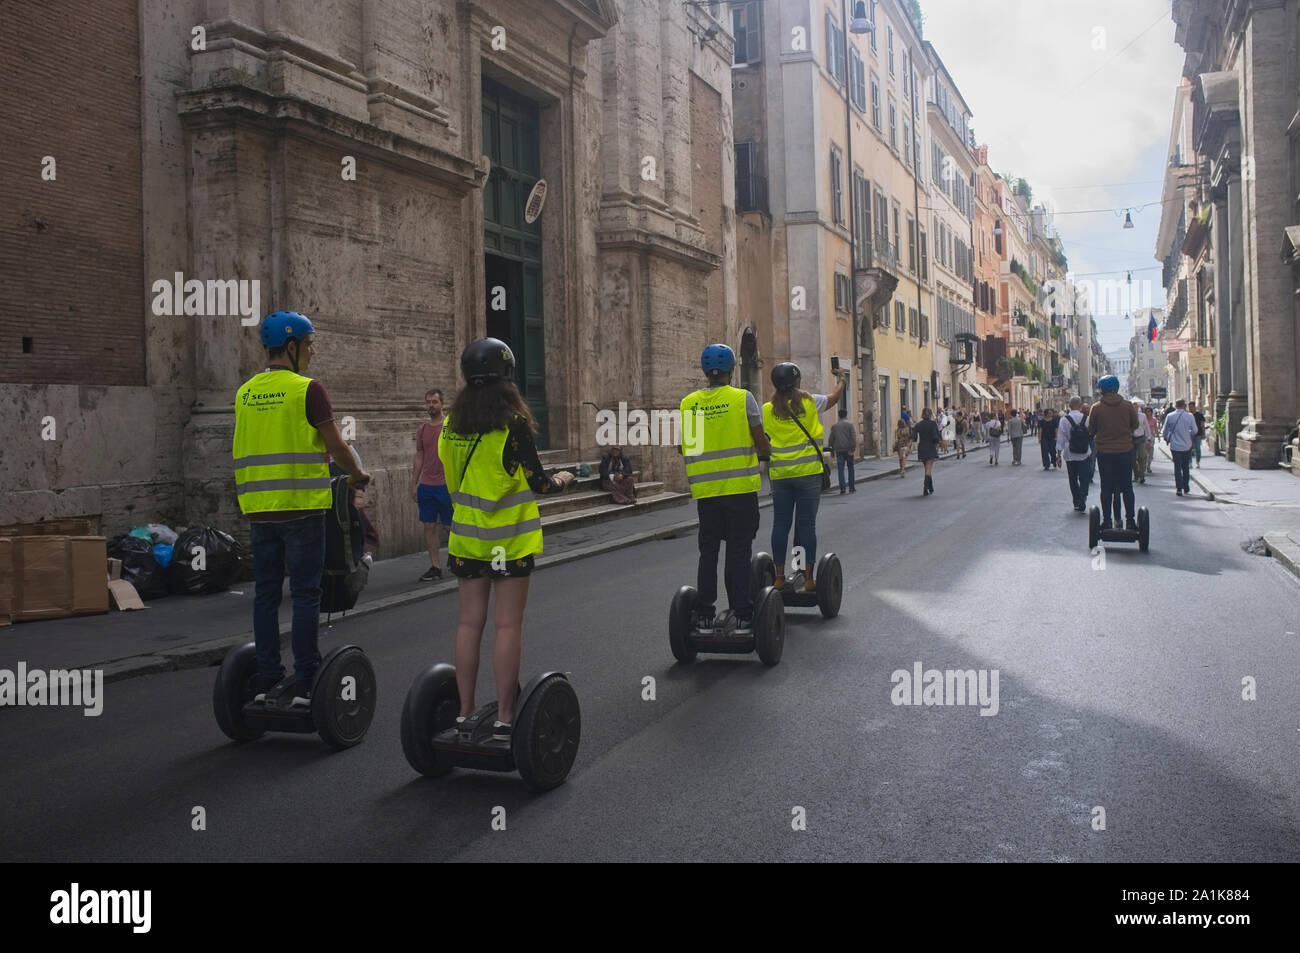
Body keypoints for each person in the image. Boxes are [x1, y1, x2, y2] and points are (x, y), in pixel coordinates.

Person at [438, 338, 575, 744]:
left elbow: (451, 481)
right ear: (508, 379)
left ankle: (463, 714)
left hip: (466, 539)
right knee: (507, 625)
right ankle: (503, 717)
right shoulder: (512, 424)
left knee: (468, 623)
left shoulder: (451, 426)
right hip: (508, 542)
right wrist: (564, 480)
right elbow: (539, 484)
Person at [233, 311, 370, 702]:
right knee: (307, 593)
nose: (313, 351)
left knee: (265, 594)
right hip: (302, 509)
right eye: (309, 343)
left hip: (260, 510)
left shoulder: (245, 392)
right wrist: (358, 474)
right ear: (290, 347)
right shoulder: (307, 389)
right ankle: (307, 675)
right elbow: (336, 446)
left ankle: (267, 674)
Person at [681, 343, 771, 636]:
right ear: (732, 370)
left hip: (707, 494)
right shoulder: (743, 399)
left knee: (708, 553)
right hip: (740, 491)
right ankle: (743, 614)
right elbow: (760, 442)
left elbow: (687, 448)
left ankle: (705, 614)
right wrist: (766, 449)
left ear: (705, 371)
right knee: (739, 551)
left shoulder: (689, 403)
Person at [764, 362, 846, 591]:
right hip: (808, 474)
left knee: (781, 524)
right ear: (797, 382)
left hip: (780, 475)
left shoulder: (766, 410)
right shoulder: (810, 402)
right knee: (806, 524)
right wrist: (842, 379)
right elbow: (834, 397)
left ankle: (780, 577)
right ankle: (808, 579)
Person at [1088, 375, 1139, 531]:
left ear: (1102, 389)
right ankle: (1130, 520)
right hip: (1125, 451)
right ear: (1116, 388)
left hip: (1105, 453)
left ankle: (1107, 520)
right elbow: (1135, 425)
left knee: (1106, 488)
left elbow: (1091, 430)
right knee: (1127, 487)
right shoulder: (1128, 406)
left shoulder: (1096, 408)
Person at [412, 388, 451, 581]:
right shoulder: (422, 430)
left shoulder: (450, 427)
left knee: (450, 526)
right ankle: (435, 566)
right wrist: (414, 484)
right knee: (428, 526)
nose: (431, 406)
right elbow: (419, 456)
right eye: (428, 402)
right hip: (427, 485)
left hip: (446, 485)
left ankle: (460, 556)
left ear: (442, 403)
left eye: (434, 402)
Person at [1057, 397, 1093, 512]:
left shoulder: (1064, 420)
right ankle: (1083, 495)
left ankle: (1076, 500)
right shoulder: (1086, 419)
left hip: (1070, 453)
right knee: (1084, 477)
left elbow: (1061, 439)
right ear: (1080, 406)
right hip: (1084, 453)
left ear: (1070, 406)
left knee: (1072, 478)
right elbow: (1092, 434)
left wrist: (1058, 455)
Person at [1162, 398, 1199, 497]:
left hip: (1175, 446)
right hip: (1187, 445)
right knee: (1185, 467)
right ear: (1184, 405)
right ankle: (1186, 487)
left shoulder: (1170, 416)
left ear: (1175, 405)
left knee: (1177, 468)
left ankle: (1179, 489)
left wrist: (1167, 438)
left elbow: (1164, 431)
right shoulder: (1190, 416)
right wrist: (1188, 433)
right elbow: (1195, 430)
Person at [912, 407, 947, 496]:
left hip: (922, 448)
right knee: (928, 469)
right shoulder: (933, 424)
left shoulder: (918, 425)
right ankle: (925, 487)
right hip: (930, 447)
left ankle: (930, 487)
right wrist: (941, 442)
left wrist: (908, 447)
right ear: (930, 414)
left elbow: (913, 437)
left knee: (927, 468)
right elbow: (936, 436)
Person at [828, 406, 858, 494]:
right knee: (850, 468)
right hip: (848, 449)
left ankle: (842, 488)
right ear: (846, 415)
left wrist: (831, 449)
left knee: (840, 469)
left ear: (839, 415)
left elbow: (831, 439)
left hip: (839, 450)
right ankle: (851, 487)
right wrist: (853, 448)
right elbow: (853, 437)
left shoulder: (835, 426)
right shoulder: (850, 425)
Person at [1131, 398, 1151, 485]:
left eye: (1136, 407)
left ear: (1138, 408)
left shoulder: (1142, 416)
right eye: (1133, 407)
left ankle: (1142, 476)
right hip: (1131, 439)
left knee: (1142, 458)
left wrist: (1149, 438)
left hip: (1141, 439)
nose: (1135, 409)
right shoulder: (1129, 416)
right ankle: (1136, 475)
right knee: (1132, 459)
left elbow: (1146, 427)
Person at [1190, 402, 1206, 467]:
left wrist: (1203, 433)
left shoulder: (1199, 415)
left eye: (1191, 407)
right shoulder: (1188, 415)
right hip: (1189, 434)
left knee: (1197, 448)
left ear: (1194, 407)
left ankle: (1197, 462)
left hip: (1198, 433)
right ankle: (1190, 462)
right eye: (1189, 407)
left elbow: (1202, 424)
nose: (1190, 408)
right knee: (1189, 449)